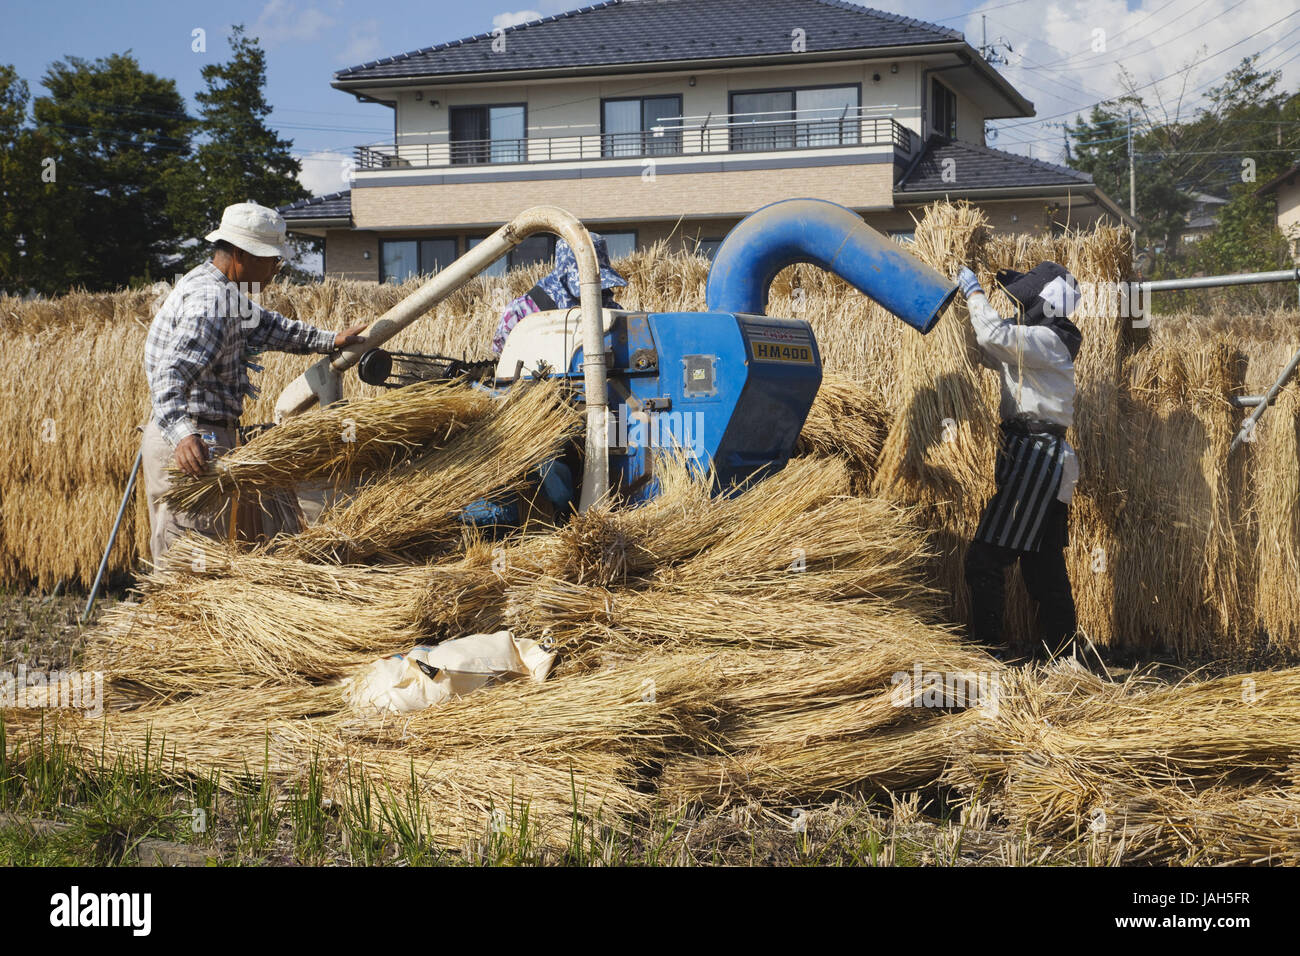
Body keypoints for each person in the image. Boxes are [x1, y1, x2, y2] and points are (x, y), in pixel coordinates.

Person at [142, 201, 367, 565]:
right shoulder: (210, 304)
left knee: (204, 558)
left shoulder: (225, 292)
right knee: (191, 564)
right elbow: (169, 376)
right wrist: (183, 435)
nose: (275, 271)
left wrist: (332, 340)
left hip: (200, 435)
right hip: (193, 443)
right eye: (271, 261)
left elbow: (269, 327)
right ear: (242, 255)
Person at [954, 261, 1084, 661]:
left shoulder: (1048, 339)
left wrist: (974, 292)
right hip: (1036, 456)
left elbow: (994, 336)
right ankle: (1064, 660)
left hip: (1037, 457)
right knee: (1042, 566)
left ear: (1043, 303)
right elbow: (985, 349)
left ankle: (988, 654)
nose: (1017, 304)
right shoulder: (1036, 342)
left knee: (984, 559)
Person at [491, 234, 628, 355]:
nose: (595, 290)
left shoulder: (611, 310)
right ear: (562, 276)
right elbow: (504, 368)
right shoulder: (521, 312)